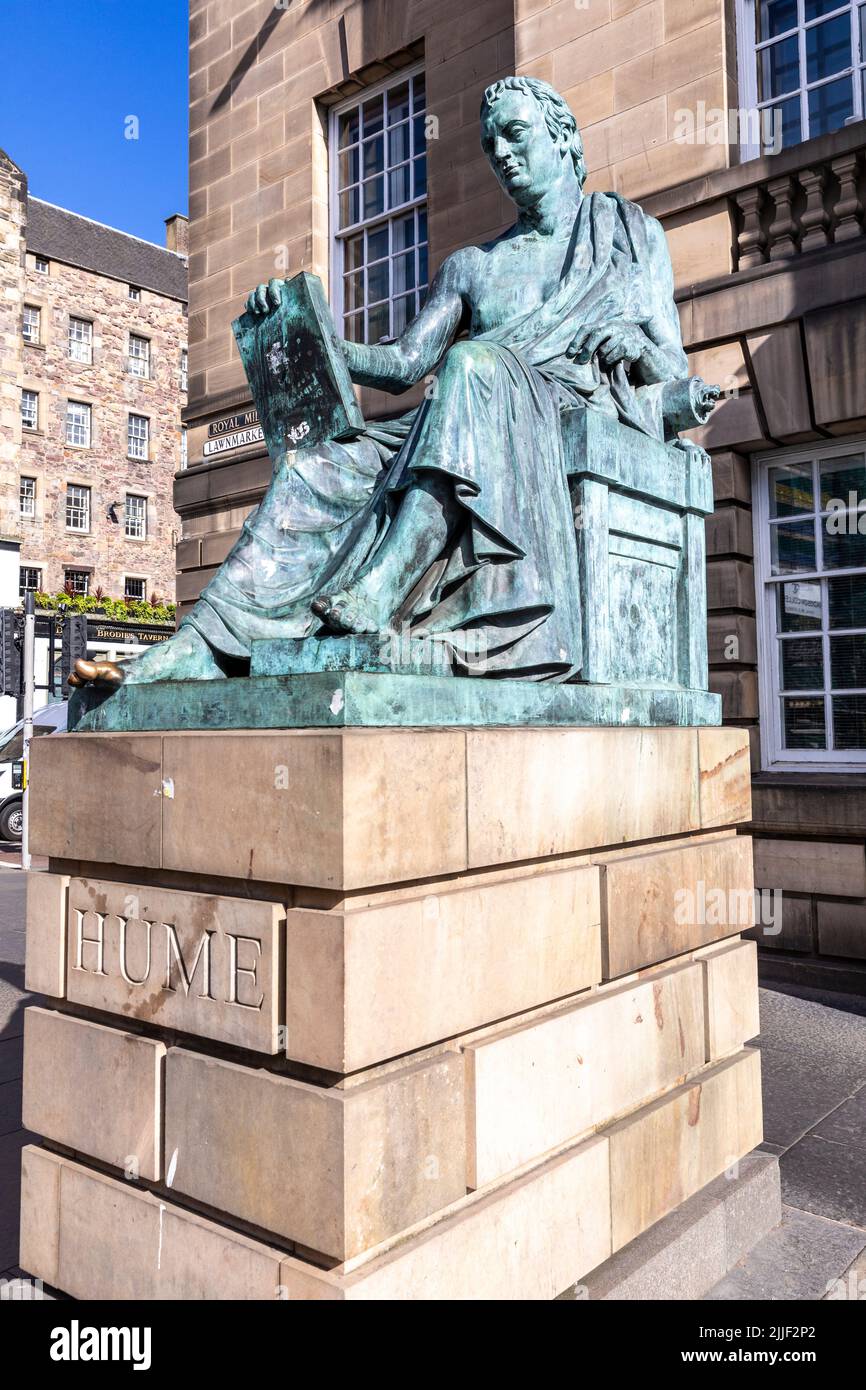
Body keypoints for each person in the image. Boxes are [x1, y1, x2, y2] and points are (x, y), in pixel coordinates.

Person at [71, 75, 713, 690]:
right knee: (322, 461)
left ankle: (382, 591)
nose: (503, 156)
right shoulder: (474, 266)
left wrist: (637, 347)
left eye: (516, 135)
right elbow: (406, 362)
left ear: (564, 135)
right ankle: (207, 642)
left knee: (469, 367)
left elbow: (674, 375)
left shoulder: (627, 235)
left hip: (552, 412)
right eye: (492, 147)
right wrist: (306, 332)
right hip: (464, 416)